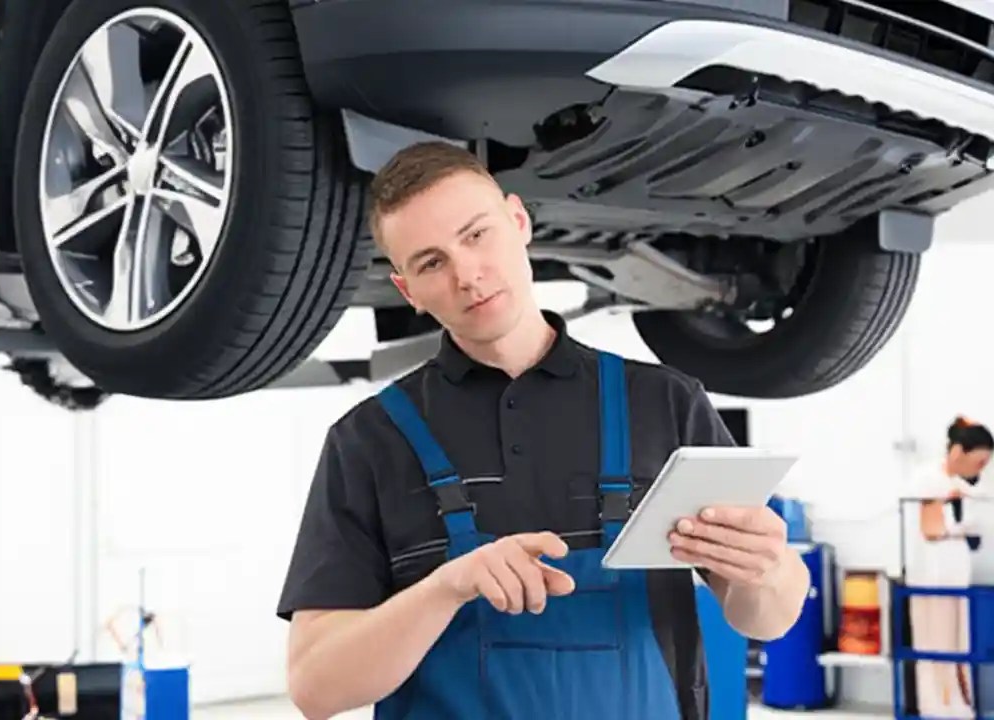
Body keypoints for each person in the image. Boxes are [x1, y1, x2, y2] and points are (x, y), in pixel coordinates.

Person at [276, 141, 810, 720]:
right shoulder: (368, 441)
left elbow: (766, 616)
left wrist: (771, 568)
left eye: (477, 235)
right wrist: (445, 588)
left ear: (518, 221)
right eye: (431, 262)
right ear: (408, 291)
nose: (467, 275)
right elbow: (316, 687)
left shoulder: (665, 403)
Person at [904, 416, 993, 719]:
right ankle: (936, 707)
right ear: (958, 453)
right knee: (935, 643)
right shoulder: (928, 479)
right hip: (931, 578)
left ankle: (958, 704)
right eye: (979, 462)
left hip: (956, 580)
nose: (980, 470)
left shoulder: (959, 486)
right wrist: (957, 520)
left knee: (958, 643)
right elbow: (930, 529)